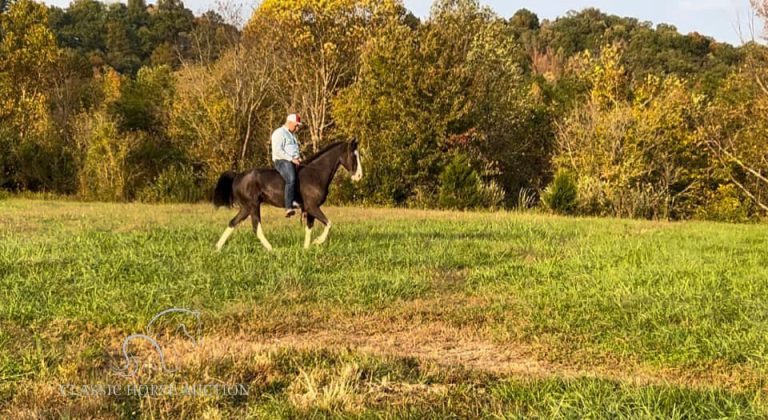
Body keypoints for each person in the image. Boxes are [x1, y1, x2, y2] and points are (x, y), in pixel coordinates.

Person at [271, 113, 303, 217]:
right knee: (291, 178)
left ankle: (300, 202)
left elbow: (293, 150)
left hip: (292, 160)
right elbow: (278, 150)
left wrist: (298, 158)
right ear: (289, 122)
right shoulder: (279, 133)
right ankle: (288, 206)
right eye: (296, 125)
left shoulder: (292, 135)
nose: (297, 128)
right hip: (282, 161)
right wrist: (292, 159)